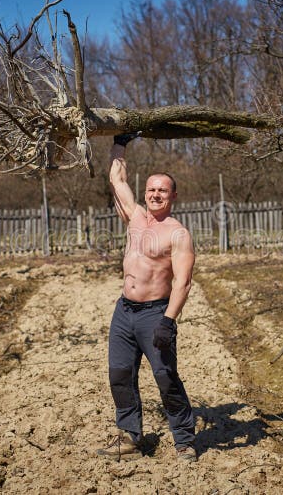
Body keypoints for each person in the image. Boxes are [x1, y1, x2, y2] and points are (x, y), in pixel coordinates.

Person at [96, 132, 197, 463]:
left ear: (173, 196)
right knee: (120, 374)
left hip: (156, 314)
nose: (156, 194)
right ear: (145, 192)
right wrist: (120, 143)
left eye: (162, 190)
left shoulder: (178, 233)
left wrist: (169, 321)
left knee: (166, 378)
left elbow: (182, 282)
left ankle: (184, 440)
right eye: (152, 189)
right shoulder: (135, 218)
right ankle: (128, 436)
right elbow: (116, 176)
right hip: (124, 311)